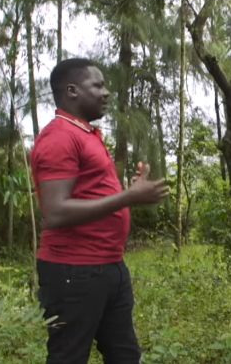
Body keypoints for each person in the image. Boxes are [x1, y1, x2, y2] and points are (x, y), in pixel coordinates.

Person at [30, 58, 169, 364]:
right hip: (74, 271)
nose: (106, 93)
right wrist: (128, 196)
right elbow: (56, 212)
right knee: (69, 357)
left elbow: (93, 194)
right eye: (97, 85)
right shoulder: (59, 137)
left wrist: (129, 194)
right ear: (72, 91)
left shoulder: (86, 134)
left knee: (125, 355)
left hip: (110, 266)